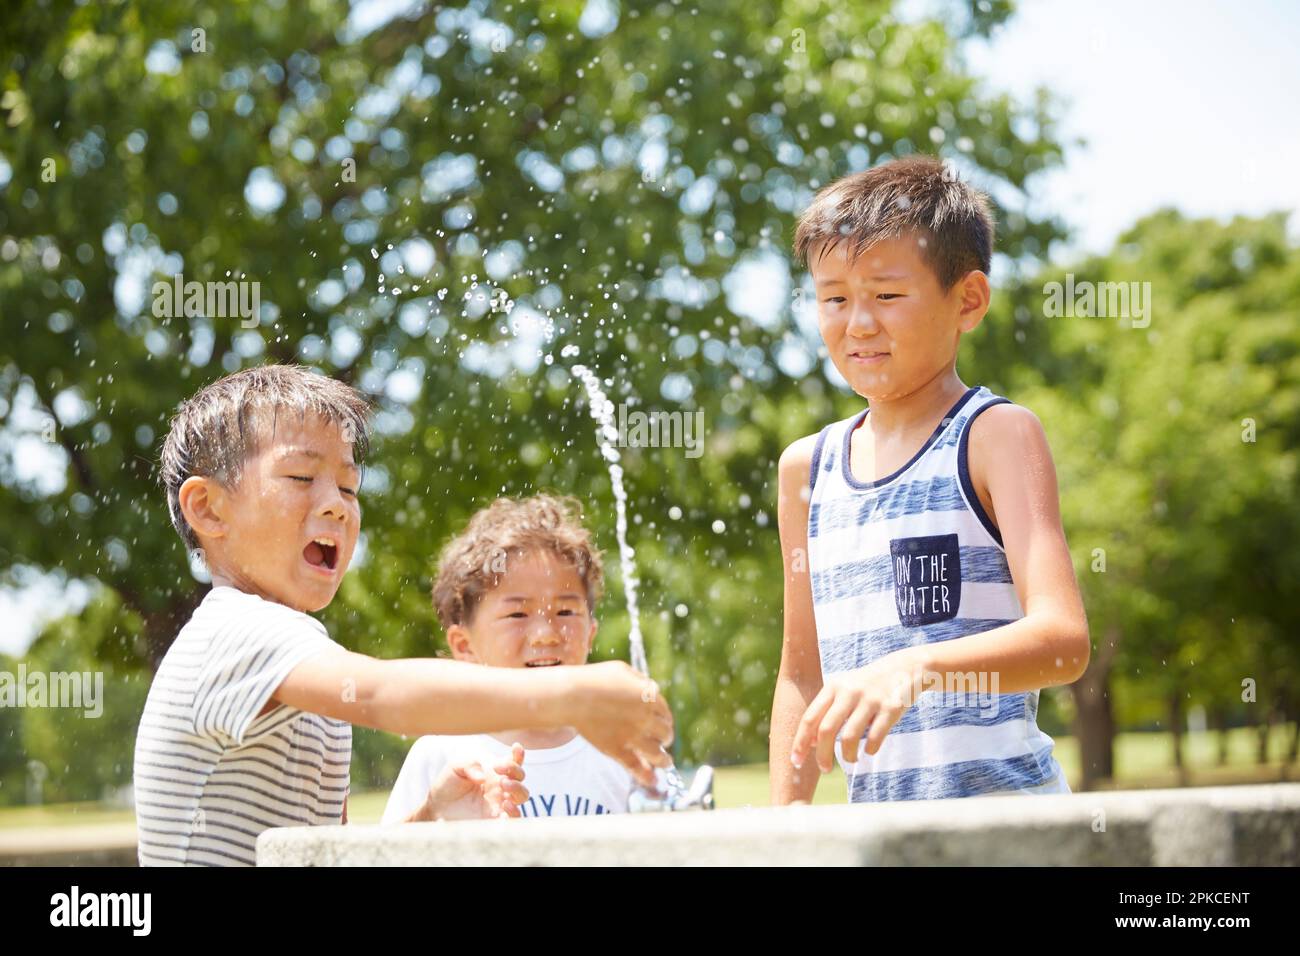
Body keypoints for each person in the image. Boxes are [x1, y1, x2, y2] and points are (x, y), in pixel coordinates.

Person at [134, 365, 671, 865]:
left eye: (348, 486)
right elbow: (383, 695)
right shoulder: (233, 630)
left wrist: (430, 820)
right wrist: (577, 693)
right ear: (207, 508)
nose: (336, 505)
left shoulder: (299, 673)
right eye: (301, 477)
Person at [769, 156, 1090, 804]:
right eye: (834, 298)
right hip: (882, 843)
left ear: (967, 300)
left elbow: (1063, 642)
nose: (857, 322)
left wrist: (919, 668)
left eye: (886, 295)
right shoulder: (806, 469)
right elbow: (801, 674)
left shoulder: (996, 437)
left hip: (1013, 837)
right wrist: (786, 830)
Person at [383, 495, 636, 823]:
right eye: (517, 613)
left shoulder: (621, 753)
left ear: (590, 632)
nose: (546, 634)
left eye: (565, 611)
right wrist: (429, 817)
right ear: (465, 645)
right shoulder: (444, 757)